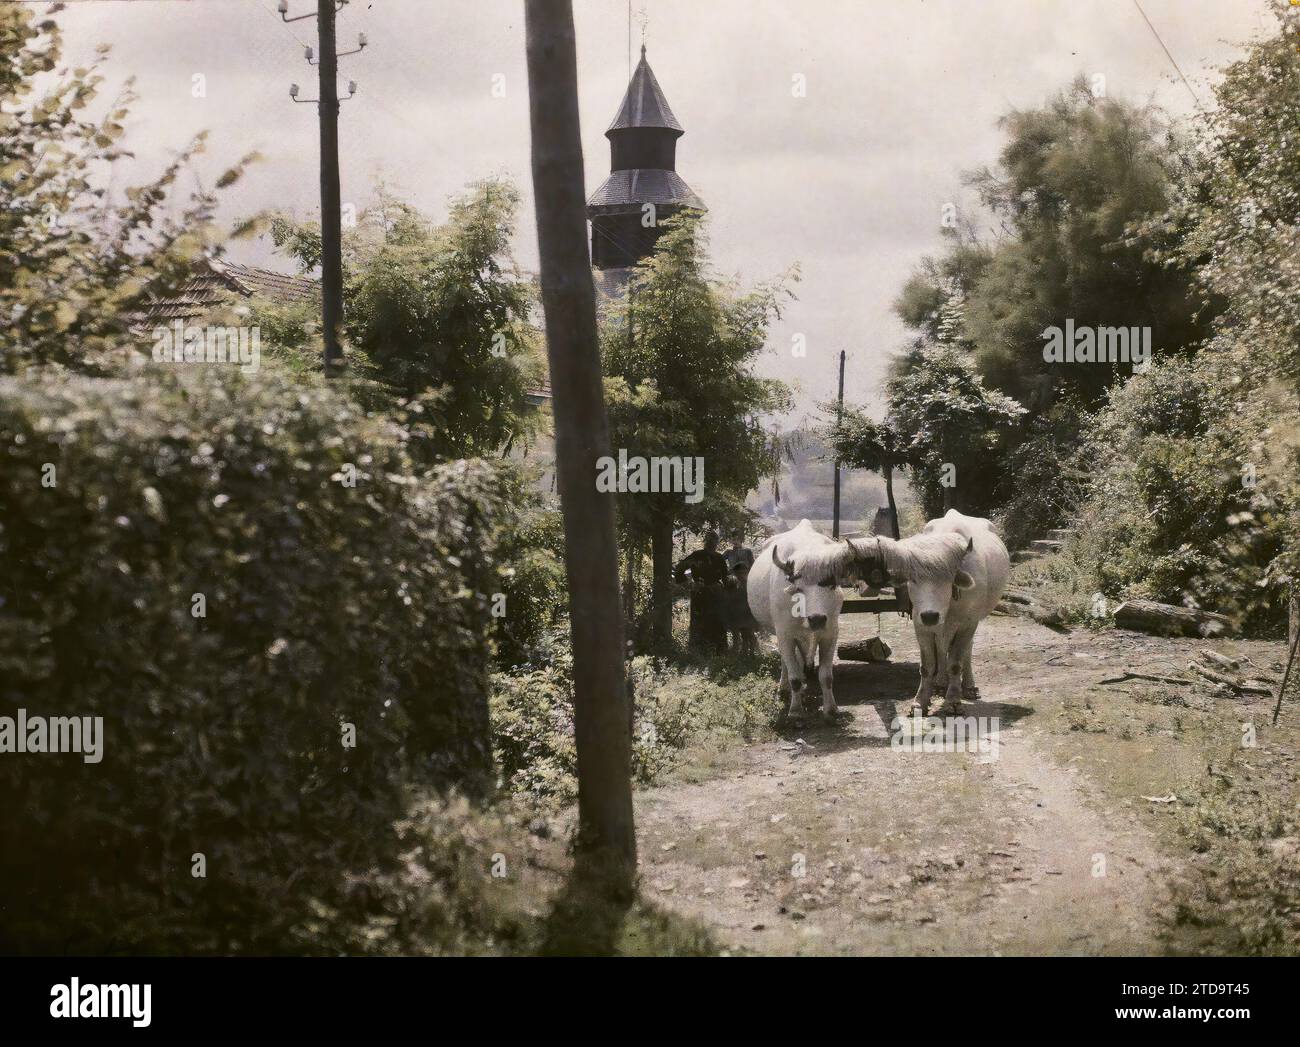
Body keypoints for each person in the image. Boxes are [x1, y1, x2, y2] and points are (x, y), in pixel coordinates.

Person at [673, 530, 729, 653]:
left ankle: (719, 650)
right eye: (709, 541)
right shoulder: (696, 555)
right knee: (699, 621)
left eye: (713, 541)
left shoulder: (719, 558)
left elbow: (725, 578)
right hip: (700, 594)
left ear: (717, 543)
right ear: (705, 542)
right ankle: (698, 650)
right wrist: (689, 584)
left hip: (715, 595)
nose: (711, 544)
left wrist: (727, 592)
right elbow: (679, 569)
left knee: (717, 623)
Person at [722, 560, 759, 656]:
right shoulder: (732, 583)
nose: (741, 575)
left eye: (743, 573)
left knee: (749, 635)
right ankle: (739, 653)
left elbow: (756, 600)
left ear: (747, 572)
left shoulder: (752, 584)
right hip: (736, 614)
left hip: (748, 614)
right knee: (736, 635)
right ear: (735, 574)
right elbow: (727, 598)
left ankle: (753, 653)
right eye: (738, 573)